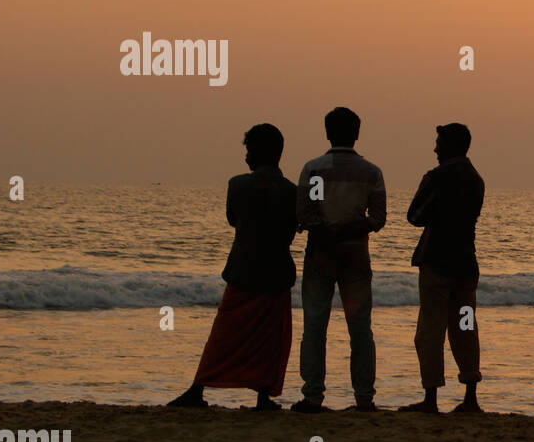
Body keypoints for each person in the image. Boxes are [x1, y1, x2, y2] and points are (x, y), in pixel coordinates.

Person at [169, 123, 297, 410]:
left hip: (243, 271)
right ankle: (263, 396)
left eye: (249, 150)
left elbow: (232, 219)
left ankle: (198, 388)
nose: (246, 157)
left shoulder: (238, 185)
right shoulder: (292, 192)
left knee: (223, 335)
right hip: (276, 274)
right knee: (270, 342)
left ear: (259, 152)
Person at [291, 107, 387, 413]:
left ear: (327, 132)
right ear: (357, 133)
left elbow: (305, 213)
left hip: (320, 252)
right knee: (360, 327)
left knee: (315, 324)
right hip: (356, 254)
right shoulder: (371, 172)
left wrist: (328, 229)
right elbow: (378, 218)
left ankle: (313, 395)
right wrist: (350, 228)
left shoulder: (315, 169)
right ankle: (363, 397)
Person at [402, 123, 485, 414]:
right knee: (465, 328)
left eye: (439, 143)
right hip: (466, 263)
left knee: (430, 330)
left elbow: (415, 215)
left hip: (437, 261)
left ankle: (431, 398)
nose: (435, 149)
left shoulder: (436, 178)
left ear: (449, 145)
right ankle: (470, 396)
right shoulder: (477, 180)